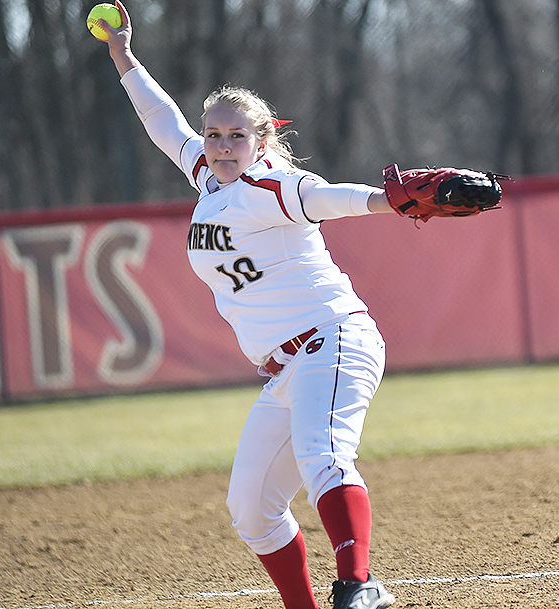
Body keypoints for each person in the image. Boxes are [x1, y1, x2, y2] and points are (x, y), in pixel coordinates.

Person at [95, 3, 403, 608]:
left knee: (323, 457)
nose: (221, 144)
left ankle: (359, 586)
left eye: (238, 134)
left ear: (264, 142)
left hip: (333, 339)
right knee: (252, 510)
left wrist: (392, 200)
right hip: (288, 367)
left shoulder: (270, 186)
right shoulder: (212, 182)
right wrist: (125, 59)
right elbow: (165, 125)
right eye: (214, 134)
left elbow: (329, 197)